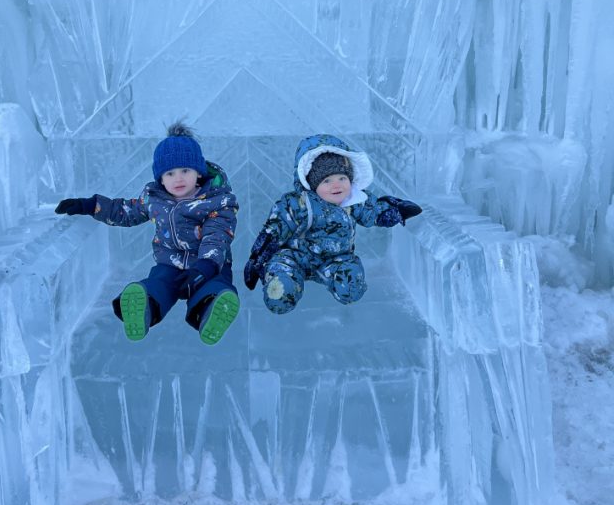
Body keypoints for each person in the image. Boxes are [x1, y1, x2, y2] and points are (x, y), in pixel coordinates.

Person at [55, 123, 239, 344]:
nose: (178, 178)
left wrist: (205, 268)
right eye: (170, 173)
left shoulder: (216, 201)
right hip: (169, 263)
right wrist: (90, 205)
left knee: (213, 285)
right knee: (159, 284)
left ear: (198, 172)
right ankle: (144, 307)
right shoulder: (154, 199)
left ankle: (213, 309)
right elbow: (125, 212)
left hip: (208, 265)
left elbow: (217, 235)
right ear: (161, 178)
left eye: (185, 171)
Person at [244, 134, 421, 314]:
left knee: (351, 288)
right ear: (312, 184)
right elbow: (275, 228)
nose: (336, 185)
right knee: (281, 280)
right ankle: (283, 286)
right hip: (297, 256)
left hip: (335, 259)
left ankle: (342, 282)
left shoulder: (355, 201)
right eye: (326, 180)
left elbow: (374, 211)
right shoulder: (300, 203)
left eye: (342, 178)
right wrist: (258, 257)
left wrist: (396, 211)